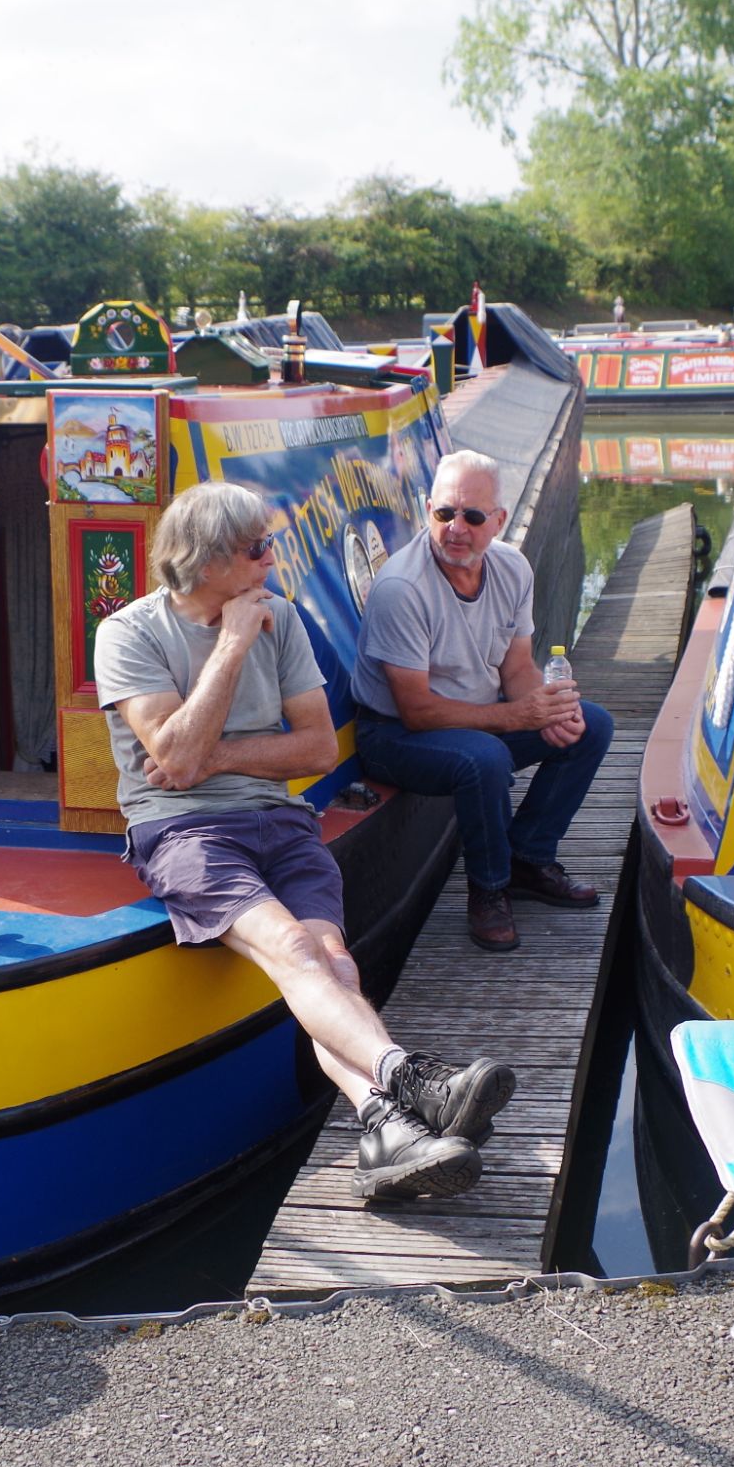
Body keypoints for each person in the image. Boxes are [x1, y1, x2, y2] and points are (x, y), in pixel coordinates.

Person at [94, 481, 516, 1202]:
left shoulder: (283, 620)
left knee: (333, 964)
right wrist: (229, 645)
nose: (271, 560)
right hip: (185, 832)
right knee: (294, 951)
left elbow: (316, 747)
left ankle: (384, 1127)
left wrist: (214, 755)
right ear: (208, 560)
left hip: (280, 822)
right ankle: (411, 1081)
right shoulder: (129, 634)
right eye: (258, 549)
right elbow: (173, 757)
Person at [351, 451, 614, 951]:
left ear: (499, 520)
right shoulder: (401, 589)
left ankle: (529, 860)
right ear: (427, 509)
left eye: (472, 516)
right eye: (444, 513)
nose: (455, 528)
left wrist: (549, 710)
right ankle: (488, 890)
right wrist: (518, 716)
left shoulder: (513, 567)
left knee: (592, 725)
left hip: (475, 716)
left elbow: (516, 669)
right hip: (395, 733)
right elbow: (417, 710)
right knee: (486, 759)